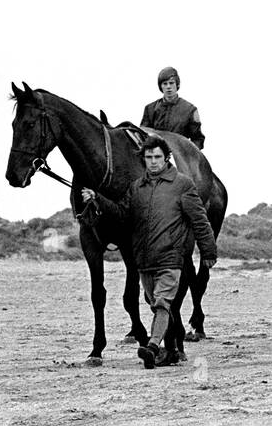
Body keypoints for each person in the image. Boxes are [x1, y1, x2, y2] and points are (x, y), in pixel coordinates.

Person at [81, 136, 217, 369]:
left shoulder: (182, 184)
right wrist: (98, 199)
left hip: (170, 255)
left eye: (157, 157)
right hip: (145, 259)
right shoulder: (137, 187)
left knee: (162, 303)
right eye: (148, 158)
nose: (153, 162)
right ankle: (173, 350)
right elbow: (121, 213)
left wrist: (208, 251)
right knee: (154, 303)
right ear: (143, 160)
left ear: (166, 158)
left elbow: (199, 220)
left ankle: (152, 347)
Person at [141, 66, 205, 149]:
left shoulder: (190, 110)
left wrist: (187, 156)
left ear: (177, 84)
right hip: (156, 156)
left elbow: (198, 139)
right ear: (161, 86)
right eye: (165, 84)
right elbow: (143, 135)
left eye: (171, 83)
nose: (168, 87)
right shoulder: (150, 109)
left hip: (178, 156)